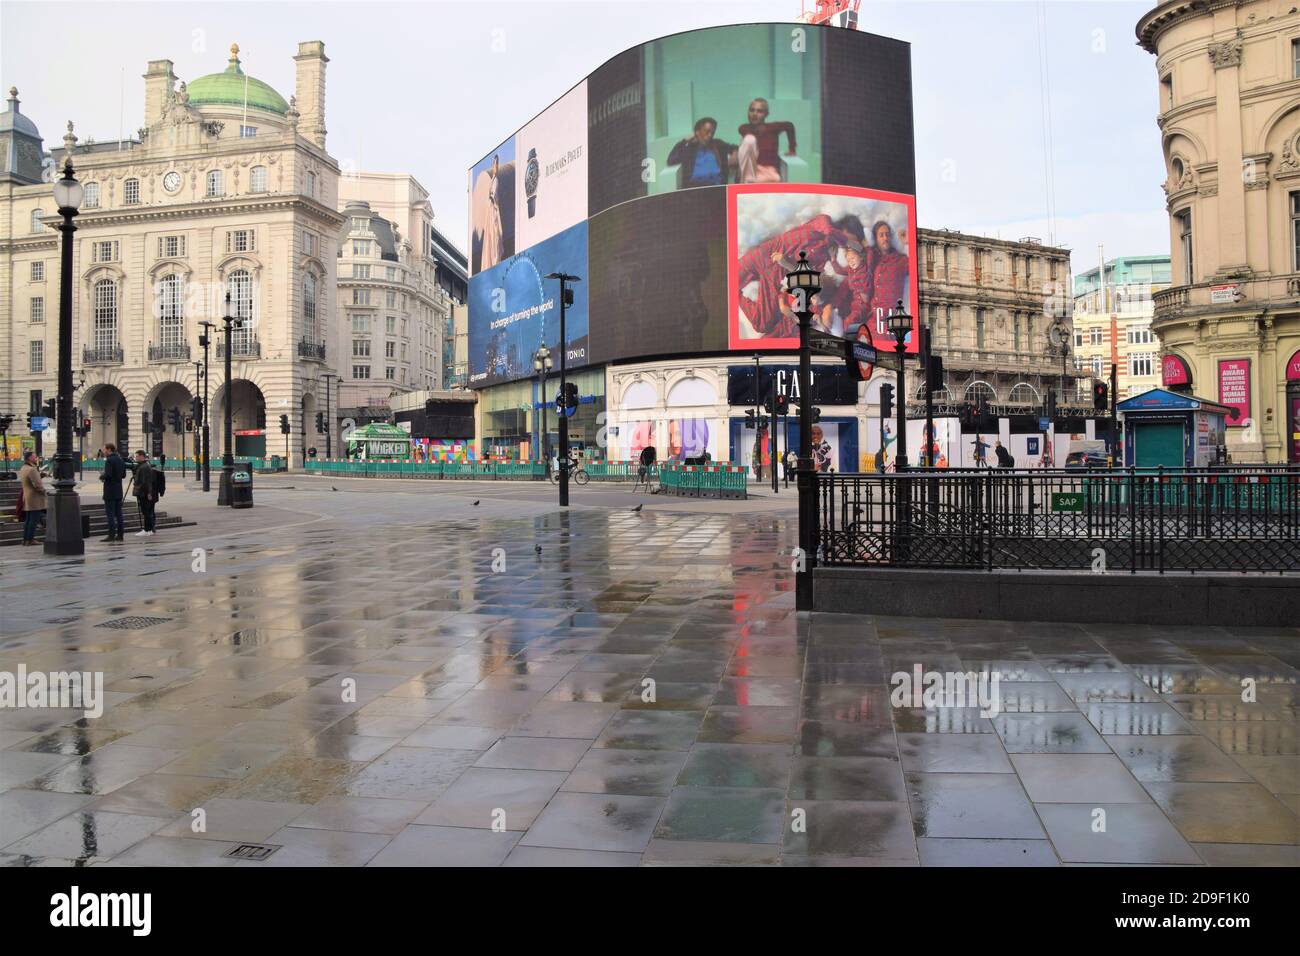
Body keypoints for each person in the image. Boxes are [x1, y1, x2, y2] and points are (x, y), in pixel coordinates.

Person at [736, 98, 796, 184]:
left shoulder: (772, 127)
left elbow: (789, 126)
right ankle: (748, 181)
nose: (754, 114)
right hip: (751, 171)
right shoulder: (744, 128)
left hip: (769, 172)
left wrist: (792, 149)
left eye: (759, 111)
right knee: (749, 139)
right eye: (751, 110)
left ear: (766, 114)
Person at [666, 117, 737, 188]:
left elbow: (734, 147)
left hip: (717, 188)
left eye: (712, 132)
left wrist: (734, 155)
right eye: (707, 131)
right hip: (694, 189)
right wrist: (685, 141)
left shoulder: (717, 144)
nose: (710, 135)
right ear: (697, 132)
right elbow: (671, 160)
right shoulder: (689, 148)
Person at [17, 451, 48, 546]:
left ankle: (25, 539)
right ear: (30, 458)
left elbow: (29, 481)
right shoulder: (32, 469)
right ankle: (30, 539)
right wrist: (44, 492)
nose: (36, 459)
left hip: (27, 497)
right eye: (34, 457)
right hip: (35, 498)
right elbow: (37, 485)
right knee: (33, 520)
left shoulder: (23, 468)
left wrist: (39, 476)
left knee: (28, 520)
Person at [482, 154, 505, 271]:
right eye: (493, 164)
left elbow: (495, 197)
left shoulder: (496, 180)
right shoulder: (492, 180)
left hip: (494, 212)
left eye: (496, 164)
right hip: (490, 212)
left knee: (495, 236)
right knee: (490, 237)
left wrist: (491, 198)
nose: (495, 166)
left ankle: (495, 260)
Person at [100, 443, 126, 542]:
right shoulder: (120, 459)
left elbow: (108, 475)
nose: (103, 451)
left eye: (104, 449)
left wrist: (102, 476)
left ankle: (111, 535)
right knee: (119, 514)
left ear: (109, 449)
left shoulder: (109, 460)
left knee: (110, 514)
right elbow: (123, 475)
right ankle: (120, 535)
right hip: (119, 490)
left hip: (110, 491)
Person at [132, 451, 158, 537]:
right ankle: (150, 529)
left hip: (143, 493)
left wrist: (148, 493)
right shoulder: (146, 465)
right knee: (148, 512)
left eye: (137, 456)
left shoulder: (143, 467)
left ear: (141, 456)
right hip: (145, 492)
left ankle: (147, 530)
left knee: (145, 512)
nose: (136, 458)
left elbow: (145, 482)